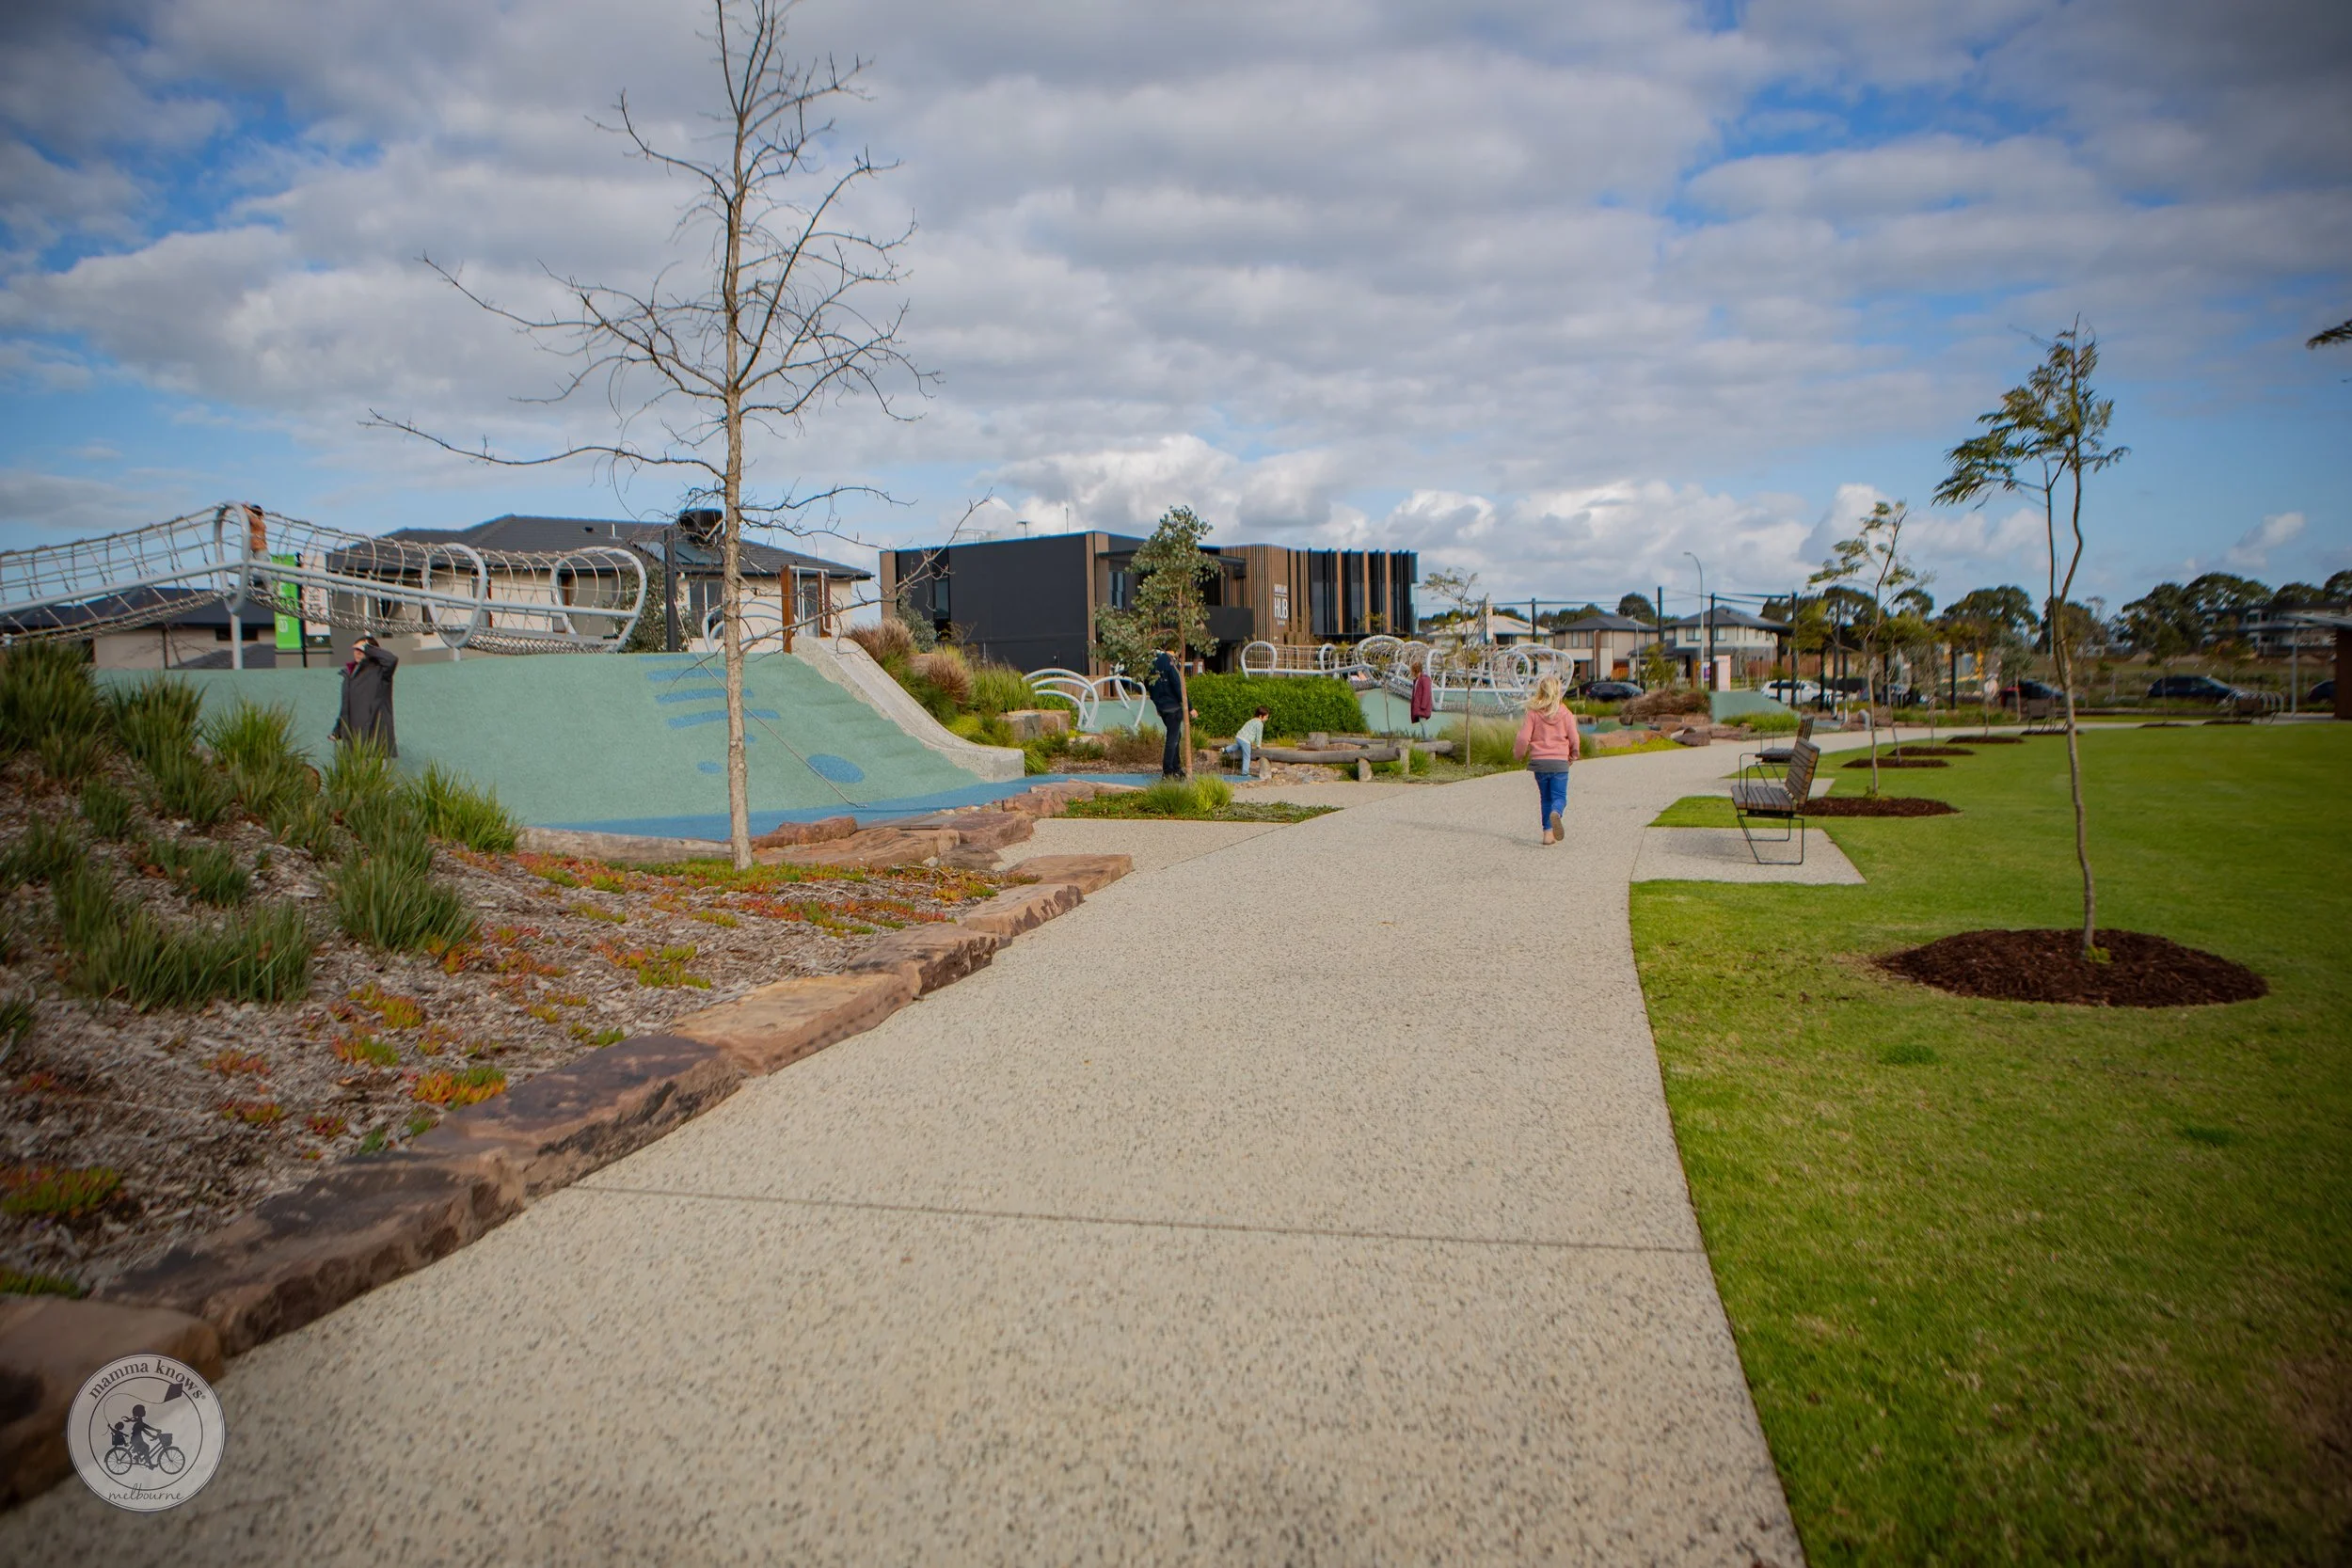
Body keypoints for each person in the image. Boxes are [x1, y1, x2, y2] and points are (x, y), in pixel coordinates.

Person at [1512, 674, 1581, 845]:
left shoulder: (1533, 713)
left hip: (1540, 763)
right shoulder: (1565, 713)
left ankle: (1547, 834)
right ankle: (1556, 813)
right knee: (1559, 797)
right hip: (1559, 762)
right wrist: (1574, 755)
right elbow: (1574, 738)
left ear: (1540, 692)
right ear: (1558, 692)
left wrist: (1518, 755)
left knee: (1545, 798)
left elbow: (1522, 738)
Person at [332, 634, 399, 756]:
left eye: (361, 650)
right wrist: (338, 729)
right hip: (353, 741)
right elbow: (346, 706)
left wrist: (367, 647)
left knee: (374, 774)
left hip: (375, 740)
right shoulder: (349, 674)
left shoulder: (381, 671)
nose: (358, 653)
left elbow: (392, 659)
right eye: (356, 650)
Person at [1146, 649, 1186, 777]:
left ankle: (1176, 768)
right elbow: (1178, 686)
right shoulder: (1171, 664)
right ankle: (1168, 770)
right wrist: (1189, 706)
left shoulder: (1154, 666)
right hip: (1173, 707)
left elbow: (1150, 686)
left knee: (1175, 736)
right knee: (1172, 739)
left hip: (1163, 708)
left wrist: (1157, 704)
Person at [1225, 705, 1269, 779]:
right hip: (1246, 740)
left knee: (1238, 746)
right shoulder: (1260, 724)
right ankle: (1245, 773)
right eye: (1266, 717)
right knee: (1247, 756)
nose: (1267, 719)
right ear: (1261, 716)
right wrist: (1258, 745)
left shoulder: (1251, 720)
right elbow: (1259, 735)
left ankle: (1226, 749)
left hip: (1239, 737)